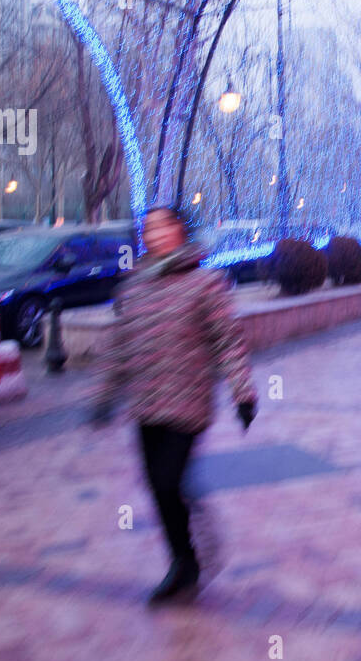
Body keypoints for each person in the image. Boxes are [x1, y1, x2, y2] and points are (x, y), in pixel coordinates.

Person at [92, 206, 257, 605]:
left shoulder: (205, 284)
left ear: (180, 231)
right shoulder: (134, 287)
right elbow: (120, 347)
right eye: (149, 228)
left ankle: (187, 554)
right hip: (146, 402)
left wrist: (243, 393)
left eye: (164, 226)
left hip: (187, 401)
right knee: (158, 486)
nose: (156, 234)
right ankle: (183, 563)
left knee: (168, 482)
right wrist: (104, 395)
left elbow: (228, 341)